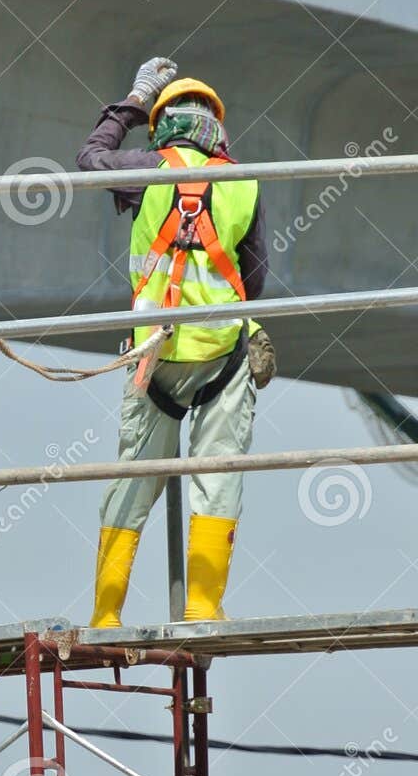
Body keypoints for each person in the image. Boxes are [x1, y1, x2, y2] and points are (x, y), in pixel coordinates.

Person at [76, 56, 274, 628]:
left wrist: (134, 99)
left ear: (163, 123)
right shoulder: (242, 183)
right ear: (217, 125)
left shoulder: (146, 168)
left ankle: (106, 615)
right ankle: (202, 609)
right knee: (218, 478)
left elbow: (89, 159)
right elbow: (254, 280)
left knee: (133, 484)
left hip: (153, 359)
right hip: (221, 358)